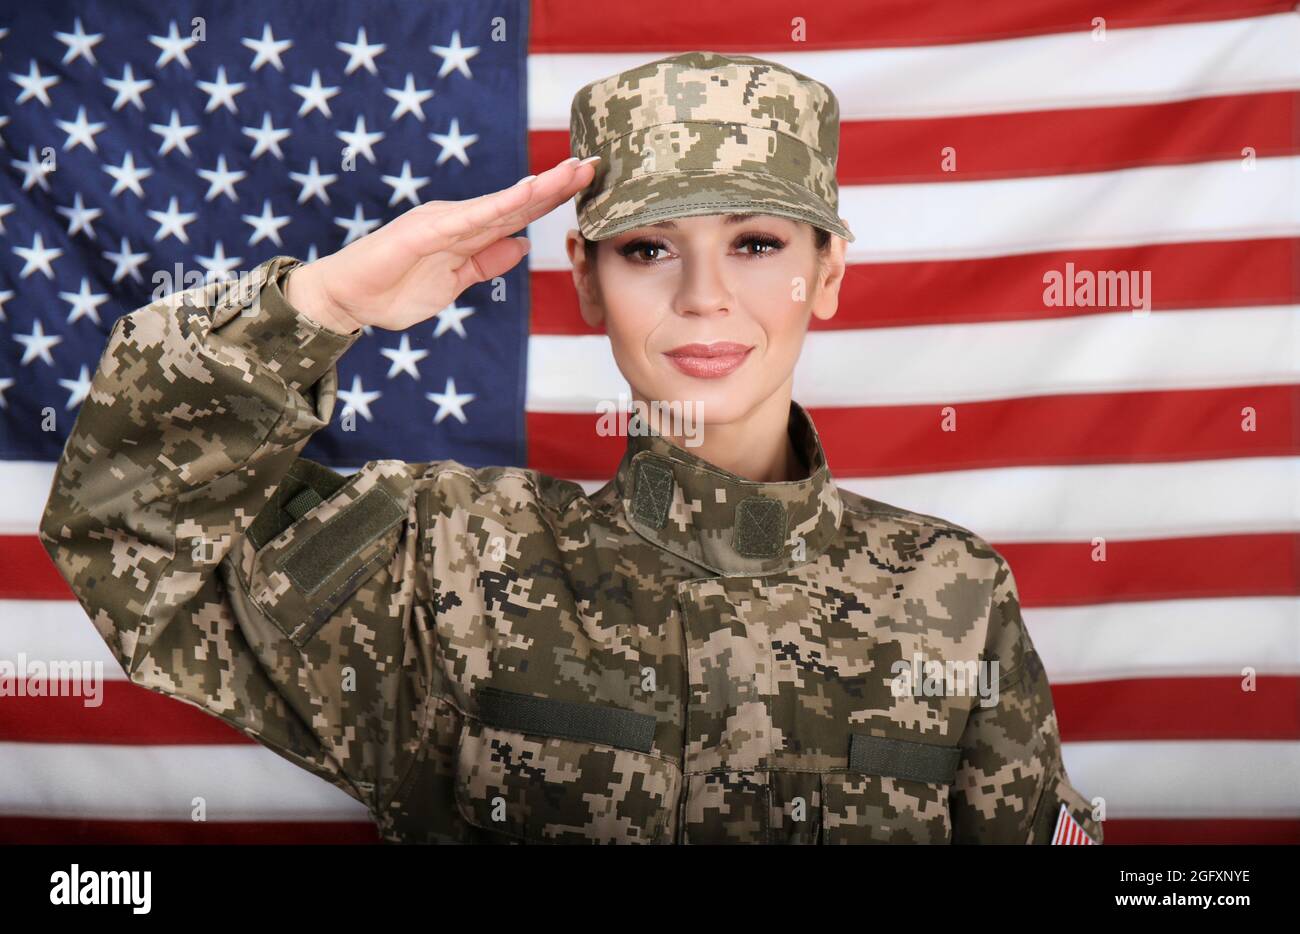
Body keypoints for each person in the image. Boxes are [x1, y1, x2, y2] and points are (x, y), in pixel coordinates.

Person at [39, 51, 1102, 844]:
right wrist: (321, 302)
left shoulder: (953, 596)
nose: (702, 297)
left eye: (756, 243)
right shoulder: (449, 560)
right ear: (589, 279)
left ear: (826, 275)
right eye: (649, 250)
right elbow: (128, 531)